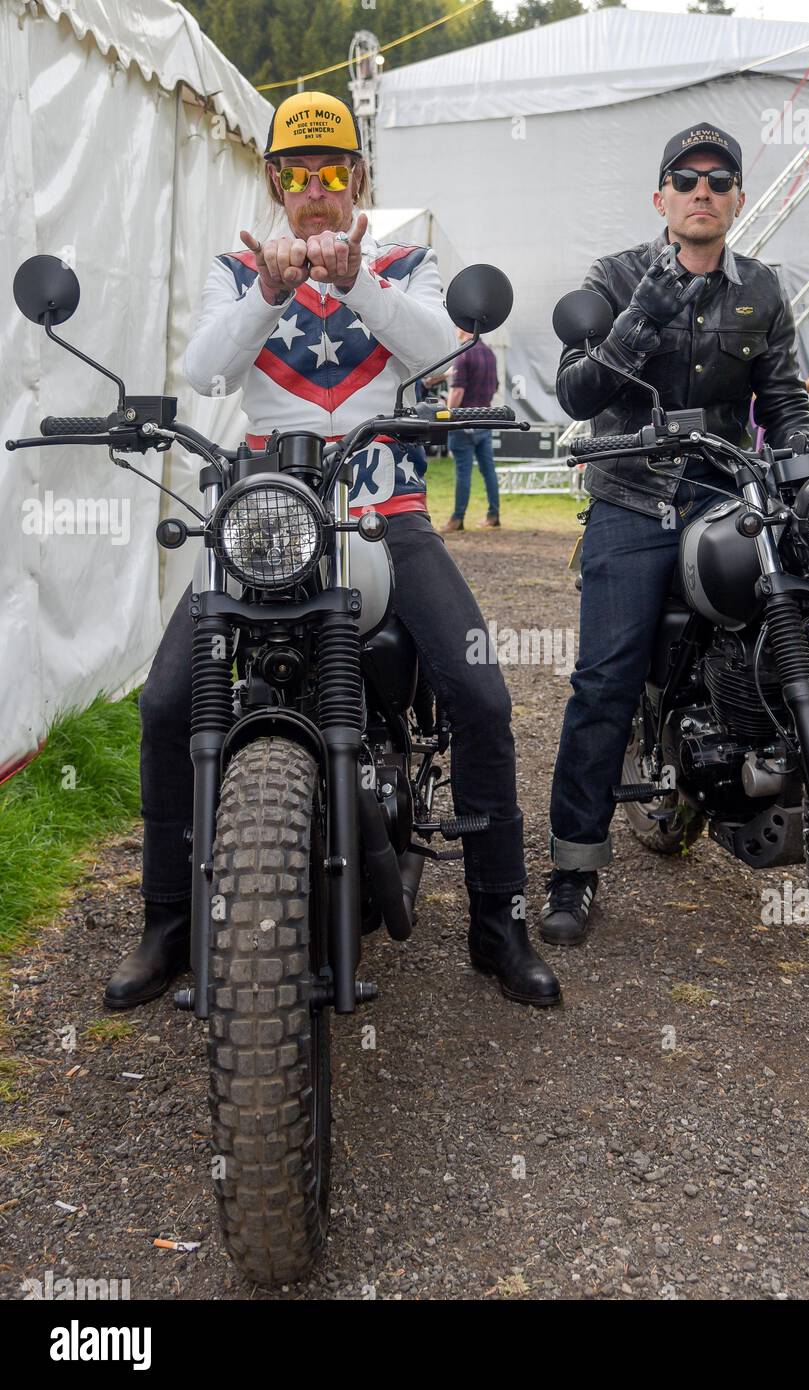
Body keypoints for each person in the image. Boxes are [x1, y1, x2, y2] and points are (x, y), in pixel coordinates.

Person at [104, 91, 559, 1011]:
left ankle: (496, 918)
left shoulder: (405, 261)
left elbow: (436, 351)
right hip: (264, 504)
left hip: (382, 501)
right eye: (298, 175)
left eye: (332, 173)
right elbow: (205, 372)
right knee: (162, 703)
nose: (315, 191)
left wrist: (353, 281)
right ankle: (166, 920)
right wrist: (273, 290)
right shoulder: (238, 267)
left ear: (359, 178)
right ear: (274, 180)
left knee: (478, 691)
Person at [541, 123, 809, 944]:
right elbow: (576, 396)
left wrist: (804, 470)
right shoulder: (616, 276)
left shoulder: (761, 289)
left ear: (736, 197)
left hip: (722, 499)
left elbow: (785, 404)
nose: (703, 190)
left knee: (787, 638)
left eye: (719, 178)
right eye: (685, 179)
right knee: (605, 680)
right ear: (661, 196)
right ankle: (572, 870)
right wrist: (640, 319)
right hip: (630, 497)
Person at [440, 328, 502, 532]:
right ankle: (494, 515)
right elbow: (495, 386)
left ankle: (457, 518)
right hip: (485, 419)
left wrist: (448, 414)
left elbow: (457, 391)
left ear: (464, 328)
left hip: (464, 422)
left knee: (463, 472)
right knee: (488, 470)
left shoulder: (462, 354)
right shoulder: (489, 354)